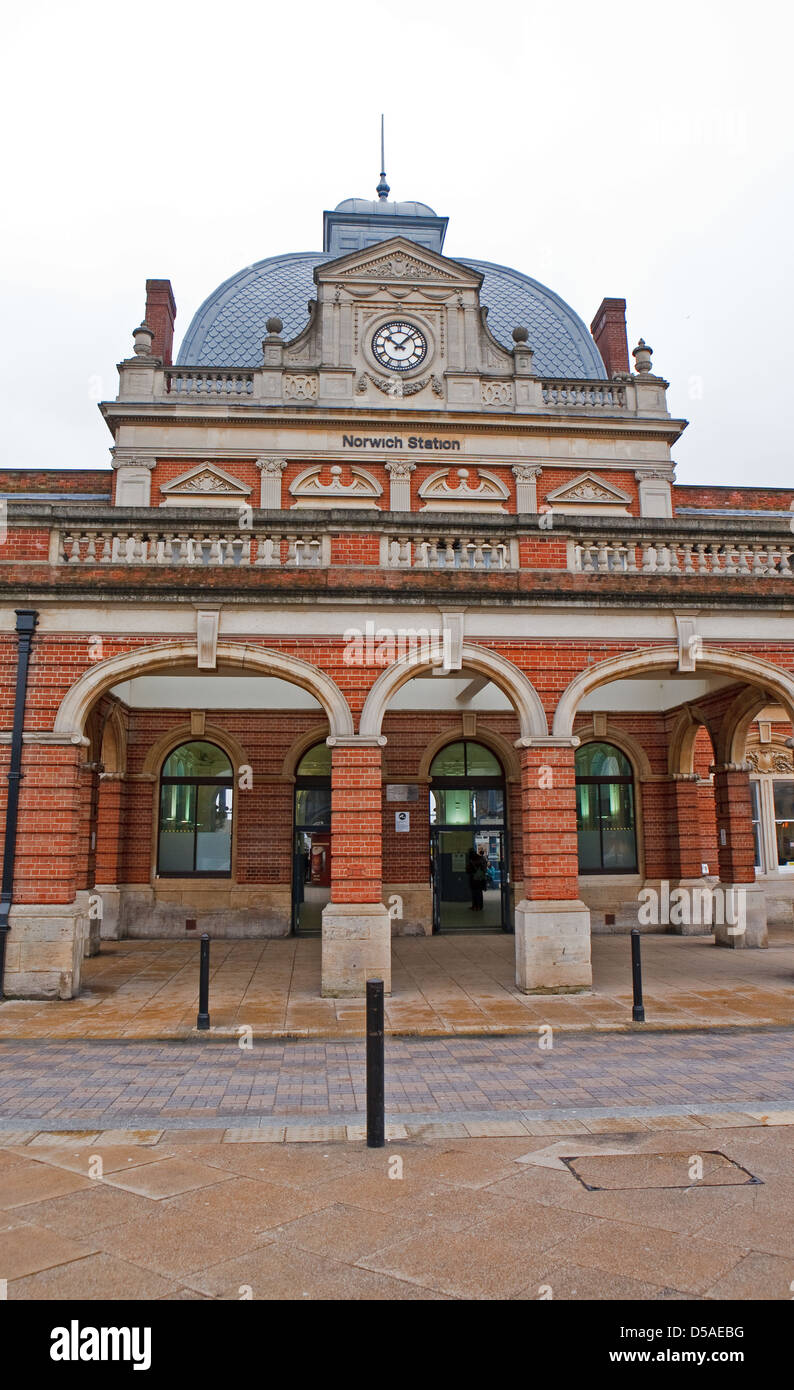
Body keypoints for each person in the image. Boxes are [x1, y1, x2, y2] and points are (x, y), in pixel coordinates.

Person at [466, 847, 486, 911]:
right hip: (480, 878)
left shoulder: (471, 860)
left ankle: (475, 906)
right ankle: (479, 906)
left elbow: (468, 870)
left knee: (474, 893)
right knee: (479, 893)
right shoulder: (481, 858)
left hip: (473, 878)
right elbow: (484, 868)